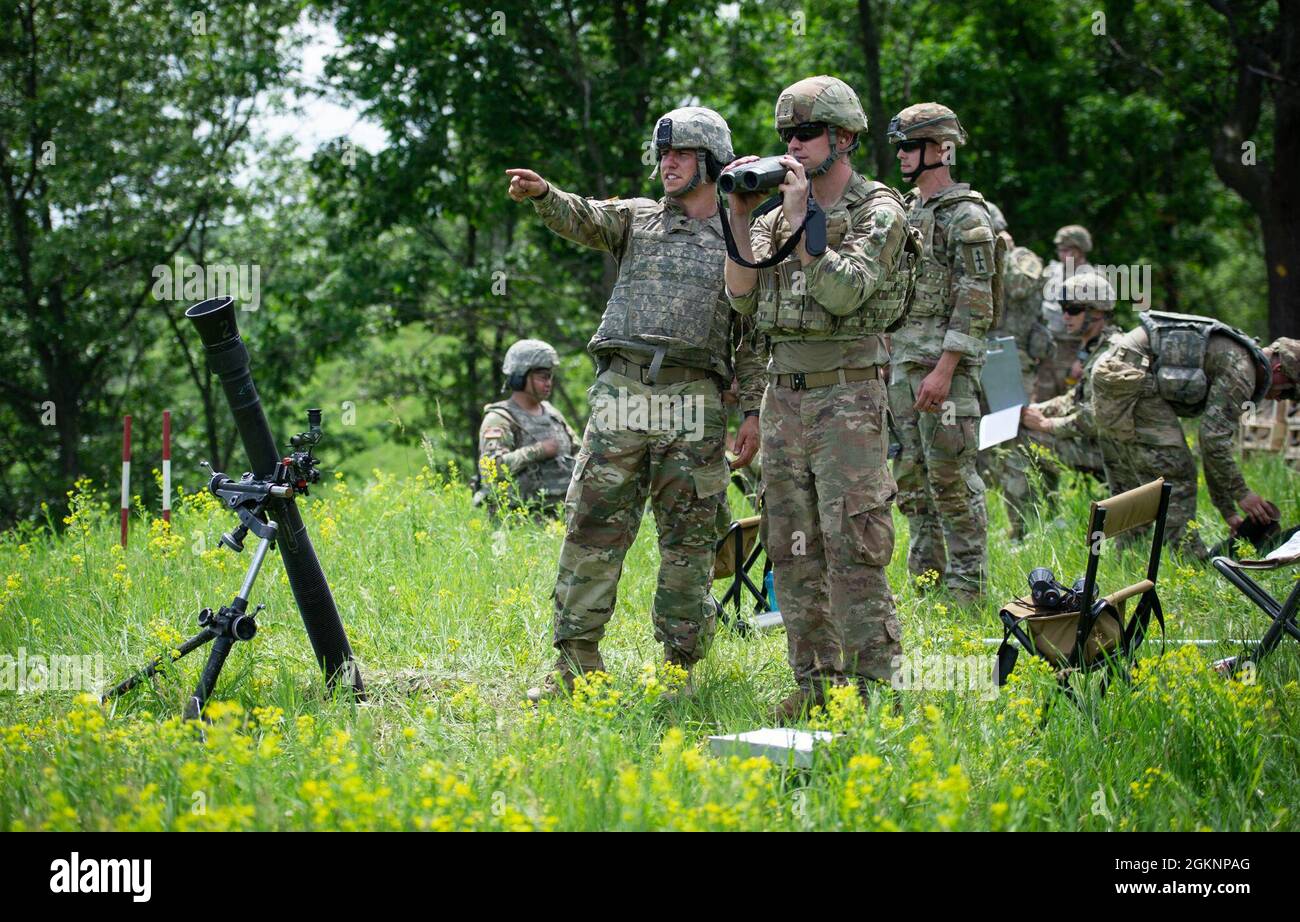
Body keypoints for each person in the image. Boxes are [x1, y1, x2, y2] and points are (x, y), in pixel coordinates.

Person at [506, 106, 764, 702]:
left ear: (712, 161)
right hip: (622, 393)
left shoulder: (743, 236)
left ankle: (680, 669)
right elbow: (585, 218)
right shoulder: (637, 219)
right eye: (663, 154)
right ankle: (576, 665)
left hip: (695, 399)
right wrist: (546, 194)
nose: (666, 164)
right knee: (594, 525)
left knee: (690, 536)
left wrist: (750, 411)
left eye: (680, 154)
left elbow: (754, 339)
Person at [724, 75, 914, 720]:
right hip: (786, 396)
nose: (794, 147)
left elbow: (845, 293)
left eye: (806, 134)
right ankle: (815, 685)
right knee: (792, 544)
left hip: (848, 394)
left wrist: (808, 225)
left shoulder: (879, 211)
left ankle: (876, 689)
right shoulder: (779, 216)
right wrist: (741, 219)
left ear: (846, 137)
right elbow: (742, 298)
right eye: (786, 136)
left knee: (853, 542)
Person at [886, 102, 996, 605]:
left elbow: (977, 298)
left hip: (941, 372)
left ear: (939, 148)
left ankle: (967, 587)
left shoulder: (967, 215)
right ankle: (927, 584)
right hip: (901, 368)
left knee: (952, 478)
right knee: (910, 478)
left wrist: (946, 369)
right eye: (900, 146)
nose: (902, 155)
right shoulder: (906, 212)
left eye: (910, 145)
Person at [1089, 313, 1299, 559]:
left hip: (1116, 370)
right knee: (1177, 473)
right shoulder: (1243, 372)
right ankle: (1189, 558)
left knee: (1136, 478)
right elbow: (1212, 440)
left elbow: (1212, 442)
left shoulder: (1242, 359)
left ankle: (1127, 556)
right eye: (1287, 393)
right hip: (1130, 376)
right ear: (1279, 370)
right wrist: (1242, 494)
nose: (1279, 399)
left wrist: (1228, 511)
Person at [980, 203, 1051, 539]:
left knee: (1014, 442)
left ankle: (1022, 527)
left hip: (1011, 360)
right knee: (975, 441)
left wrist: (1001, 250)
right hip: (975, 355)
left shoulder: (1021, 258)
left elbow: (1021, 285)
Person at [1019, 269, 1121, 488]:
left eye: (1073, 310)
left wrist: (1047, 424)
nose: (1065, 316)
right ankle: (1046, 516)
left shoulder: (1111, 355)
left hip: (1115, 452)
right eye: (1064, 308)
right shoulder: (1094, 348)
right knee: (1025, 428)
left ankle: (1033, 518)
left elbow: (1095, 419)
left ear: (1097, 313)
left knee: (1026, 440)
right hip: (1101, 443)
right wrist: (1037, 409)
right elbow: (1076, 397)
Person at [475, 339, 579, 517]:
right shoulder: (499, 419)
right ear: (519, 378)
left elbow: (578, 452)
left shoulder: (552, 413)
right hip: (519, 522)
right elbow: (491, 468)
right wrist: (538, 451)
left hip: (559, 518)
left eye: (550, 377)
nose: (549, 383)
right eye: (542, 377)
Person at [1037, 224, 1095, 402]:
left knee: (1071, 404)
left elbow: (1097, 324)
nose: (1062, 254)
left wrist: (1082, 358)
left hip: (1075, 351)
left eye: (1066, 249)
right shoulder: (1050, 274)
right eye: (1060, 250)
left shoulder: (1093, 280)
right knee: (1042, 403)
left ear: (1079, 251)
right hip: (1049, 351)